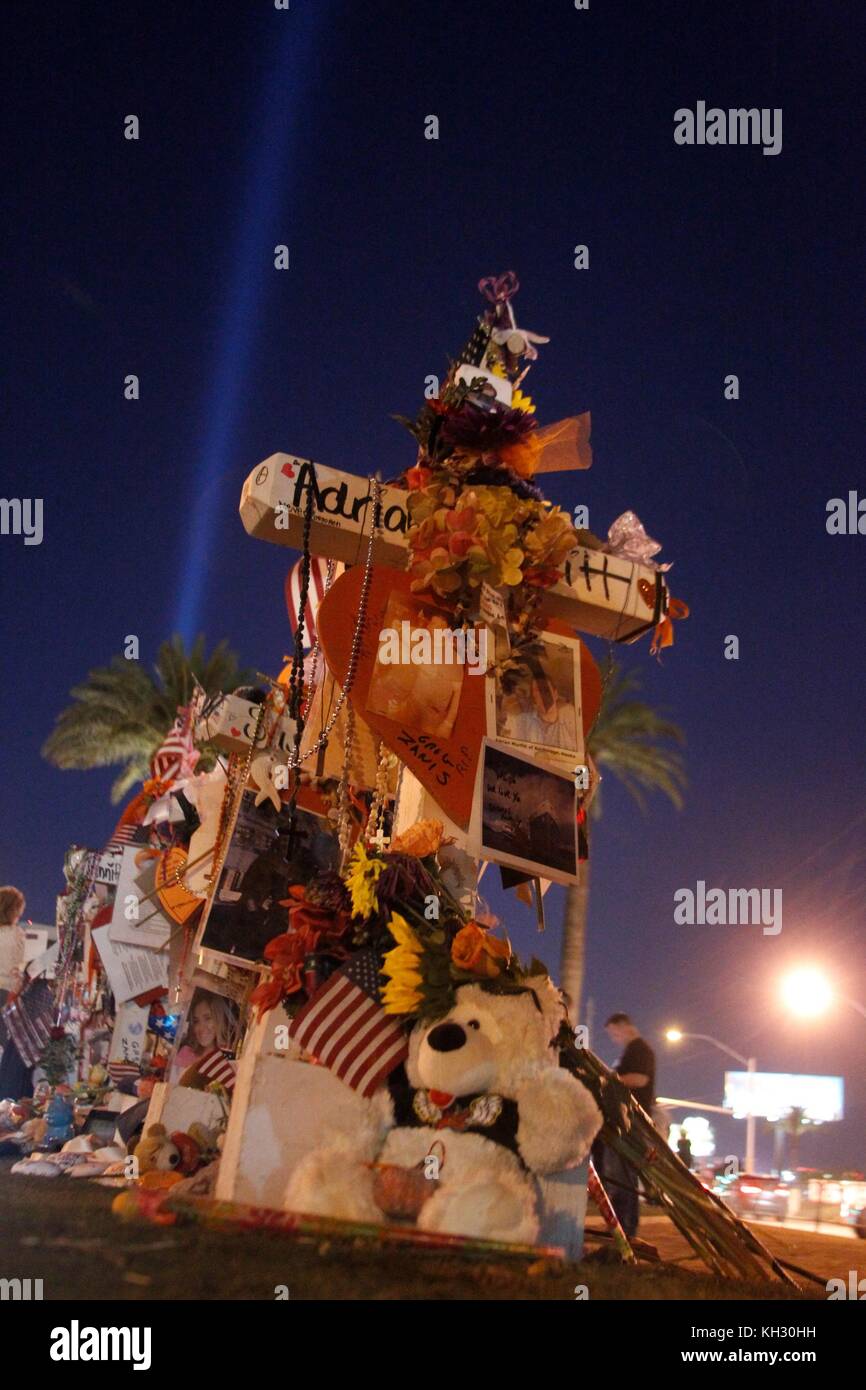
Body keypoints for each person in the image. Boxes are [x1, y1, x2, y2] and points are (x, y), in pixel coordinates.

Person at [597, 1012, 657, 1239]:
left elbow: (640, 1079)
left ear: (624, 1026)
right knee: (619, 1174)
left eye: (614, 1032)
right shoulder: (633, 1050)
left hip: (632, 1123)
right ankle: (621, 1227)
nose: (614, 1038)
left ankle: (625, 1228)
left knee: (622, 1175)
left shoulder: (640, 1049)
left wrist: (610, 1080)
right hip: (626, 1121)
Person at [0, 886, 35, 1100]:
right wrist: (13, 999)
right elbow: (18, 972)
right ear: (14, 910)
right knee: (7, 1051)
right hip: (5, 994)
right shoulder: (16, 935)